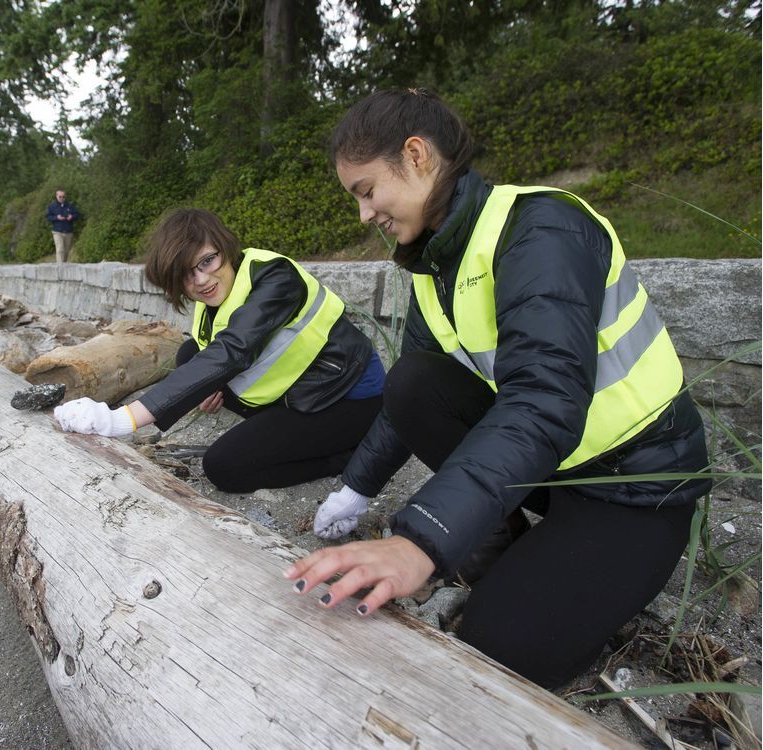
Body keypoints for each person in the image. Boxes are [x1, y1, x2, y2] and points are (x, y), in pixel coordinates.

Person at [285, 89, 710, 689]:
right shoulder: (435, 265)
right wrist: (355, 490)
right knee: (411, 382)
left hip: (635, 487)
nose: (363, 215)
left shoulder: (542, 230)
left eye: (365, 191)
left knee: (493, 652)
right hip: (556, 471)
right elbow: (409, 400)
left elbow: (543, 398)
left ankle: (557, 561)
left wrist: (421, 541)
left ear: (416, 156)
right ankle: (500, 538)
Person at [53, 208, 385, 493]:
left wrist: (123, 419)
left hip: (345, 398)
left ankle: (347, 457)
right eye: (186, 275)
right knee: (188, 355)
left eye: (208, 261)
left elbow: (234, 349)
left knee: (223, 467)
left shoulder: (275, 278)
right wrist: (202, 389)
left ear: (225, 247)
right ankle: (283, 436)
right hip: (298, 390)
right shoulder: (213, 301)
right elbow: (211, 357)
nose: (201, 280)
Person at [45, 189, 80, 263]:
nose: (62, 198)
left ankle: (64, 265)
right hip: (57, 231)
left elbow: (77, 215)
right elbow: (48, 217)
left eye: (63, 197)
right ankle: (60, 267)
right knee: (60, 249)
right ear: (56, 196)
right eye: (60, 197)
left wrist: (71, 217)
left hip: (68, 231)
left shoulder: (70, 205)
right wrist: (57, 218)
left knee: (66, 251)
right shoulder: (52, 206)